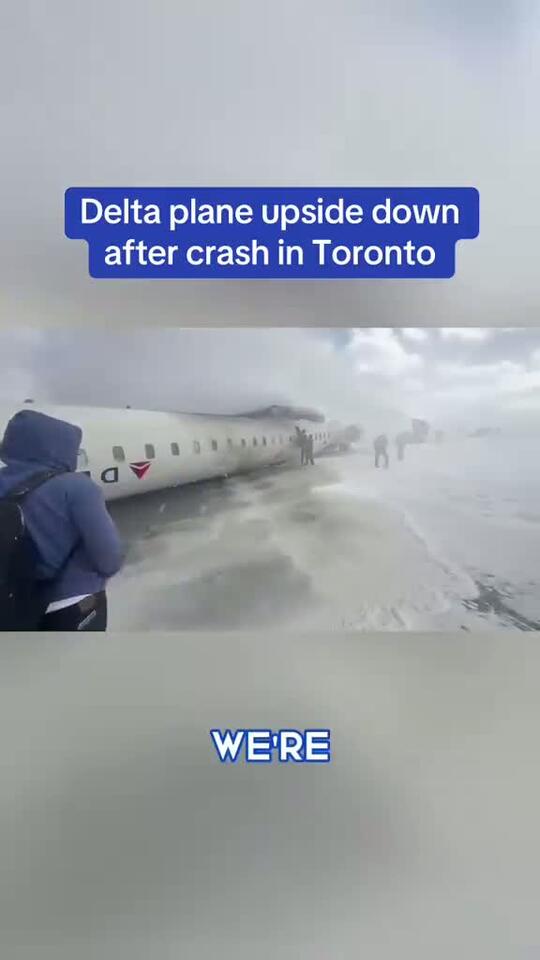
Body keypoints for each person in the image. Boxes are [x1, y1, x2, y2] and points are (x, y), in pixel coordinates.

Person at [0, 409, 123, 631]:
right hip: (71, 603)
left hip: (14, 604)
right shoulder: (76, 487)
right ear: (60, 448)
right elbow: (109, 559)